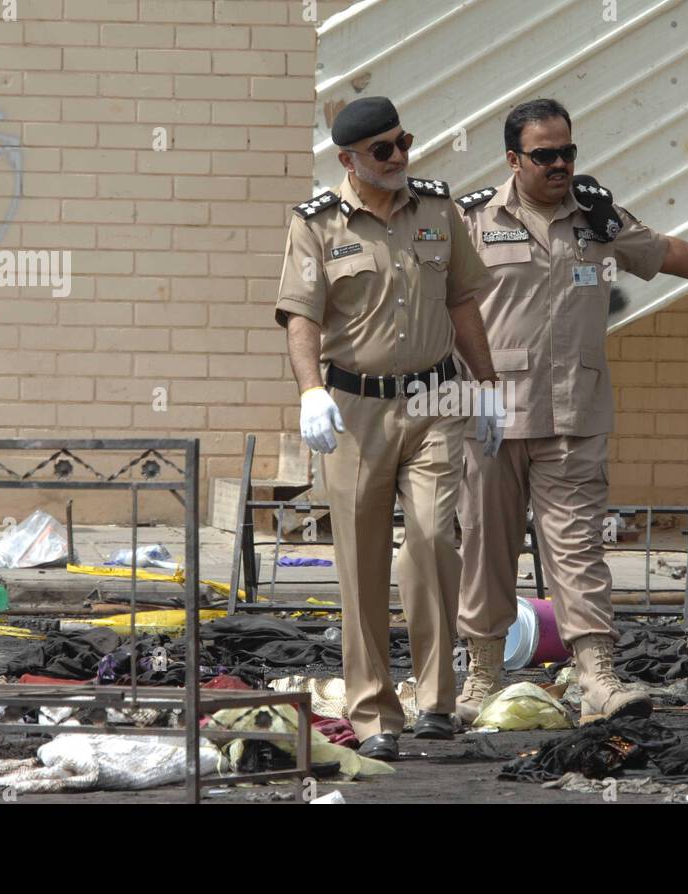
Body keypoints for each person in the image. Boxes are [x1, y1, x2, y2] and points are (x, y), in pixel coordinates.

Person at [453, 98, 688, 725]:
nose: (560, 164)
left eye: (567, 151)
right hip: (490, 416)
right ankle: (484, 676)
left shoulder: (598, 219)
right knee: (485, 548)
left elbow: (664, 252)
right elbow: (437, 299)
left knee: (577, 549)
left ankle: (596, 676)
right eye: (545, 154)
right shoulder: (472, 219)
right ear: (513, 159)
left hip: (575, 413)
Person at [275, 96, 503, 760]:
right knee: (361, 560)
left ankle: (435, 700)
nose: (400, 156)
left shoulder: (437, 209)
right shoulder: (315, 224)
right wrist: (310, 391)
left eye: (403, 142)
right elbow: (301, 317)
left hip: (434, 400)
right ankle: (374, 712)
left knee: (434, 537)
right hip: (353, 410)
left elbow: (462, 301)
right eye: (383, 149)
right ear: (348, 160)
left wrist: (489, 391)